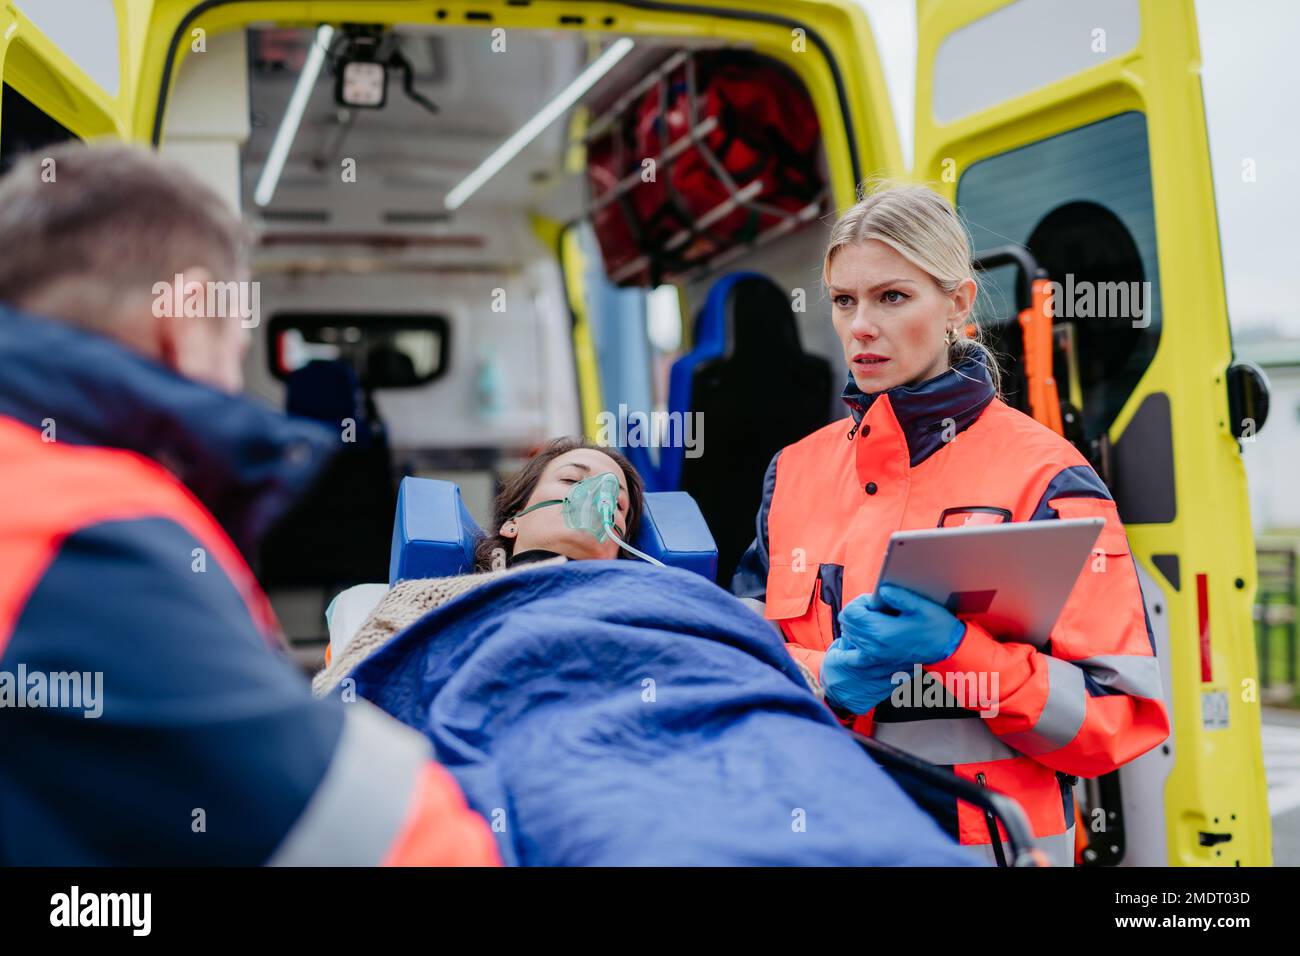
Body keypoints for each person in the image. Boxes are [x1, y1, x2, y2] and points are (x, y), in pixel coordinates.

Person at [0, 143, 498, 865]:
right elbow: (398, 845)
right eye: (236, 349)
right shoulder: (87, 534)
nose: (233, 385)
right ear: (189, 314)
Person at [731, 181, 1170, 866]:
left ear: (959, 304)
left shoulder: (1046, 476)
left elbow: (1116, 723)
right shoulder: (793, 473)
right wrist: (824, 680)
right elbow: (736, 662)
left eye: (893, 297)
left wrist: (963, 655)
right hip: (821, 838)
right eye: (844, 301)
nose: (861, 327)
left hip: (983, 848)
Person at [314, 437, 645, 694]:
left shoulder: (645, 609)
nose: (597, 498)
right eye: (572, 480)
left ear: (618, 548)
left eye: (616, 504)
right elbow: (371, 690)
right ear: (512, 521)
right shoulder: (434, 601)